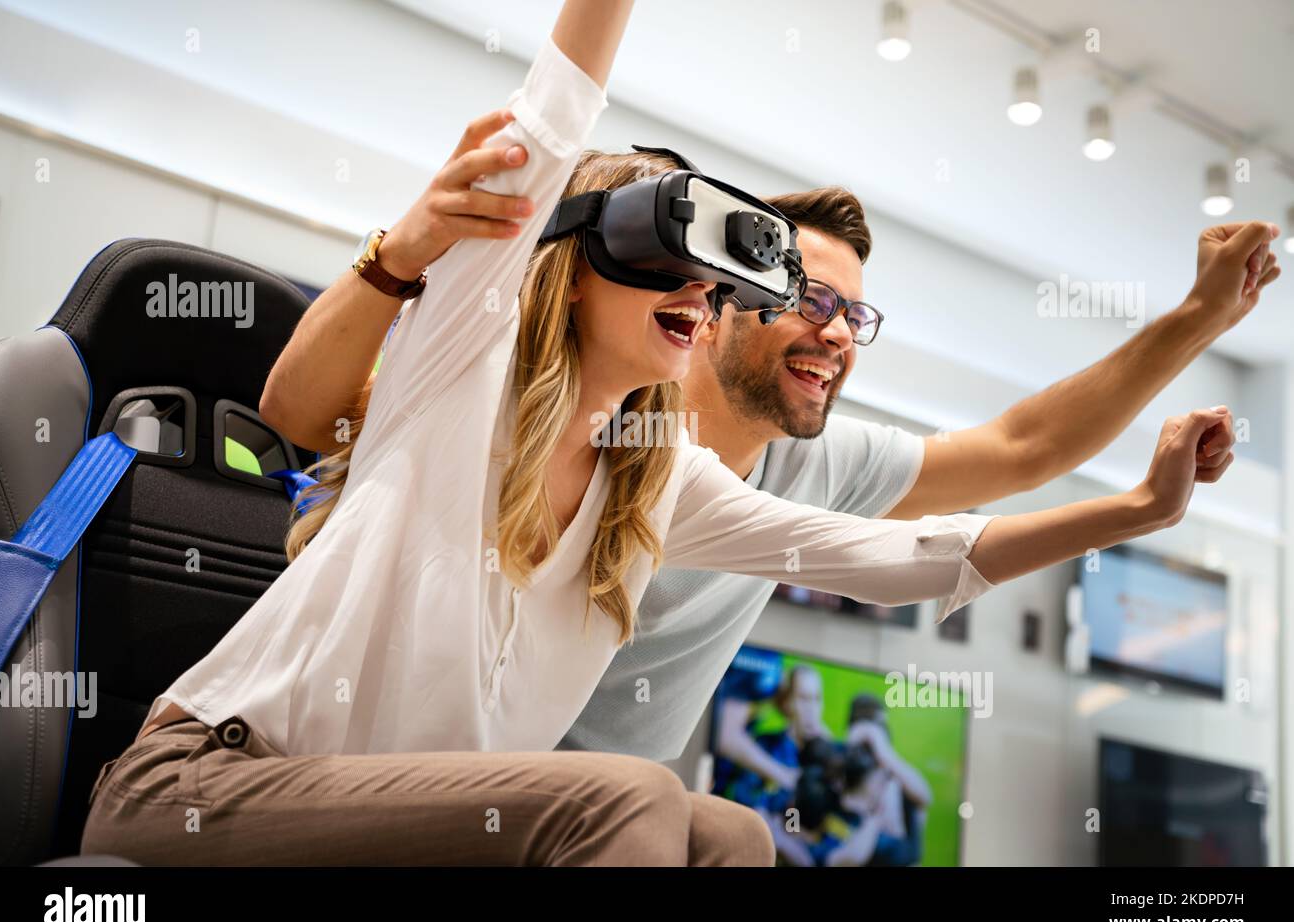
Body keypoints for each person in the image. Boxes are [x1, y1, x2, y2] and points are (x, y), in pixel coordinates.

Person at [83, 0, 1244, 868]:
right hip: (212, 782)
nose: (706, 286)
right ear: (568, 270)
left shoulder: (656, 482)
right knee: (630, 800)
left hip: (403, 809)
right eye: (667, 250)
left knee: (730, 832)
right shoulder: (459, 384)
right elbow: (555, 115)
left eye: (722, 274)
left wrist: (1140, 511)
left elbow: (908, 559)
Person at [258, 109, 1281, 769]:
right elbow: (307, 418)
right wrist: (405, 253)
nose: (835, 333)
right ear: (718, 295)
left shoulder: (800, 466)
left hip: (606, 816)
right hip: (436, 776)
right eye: (808, 299)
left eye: (854, 315)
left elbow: (1014, 455)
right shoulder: (539, 404)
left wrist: (1195, 324)